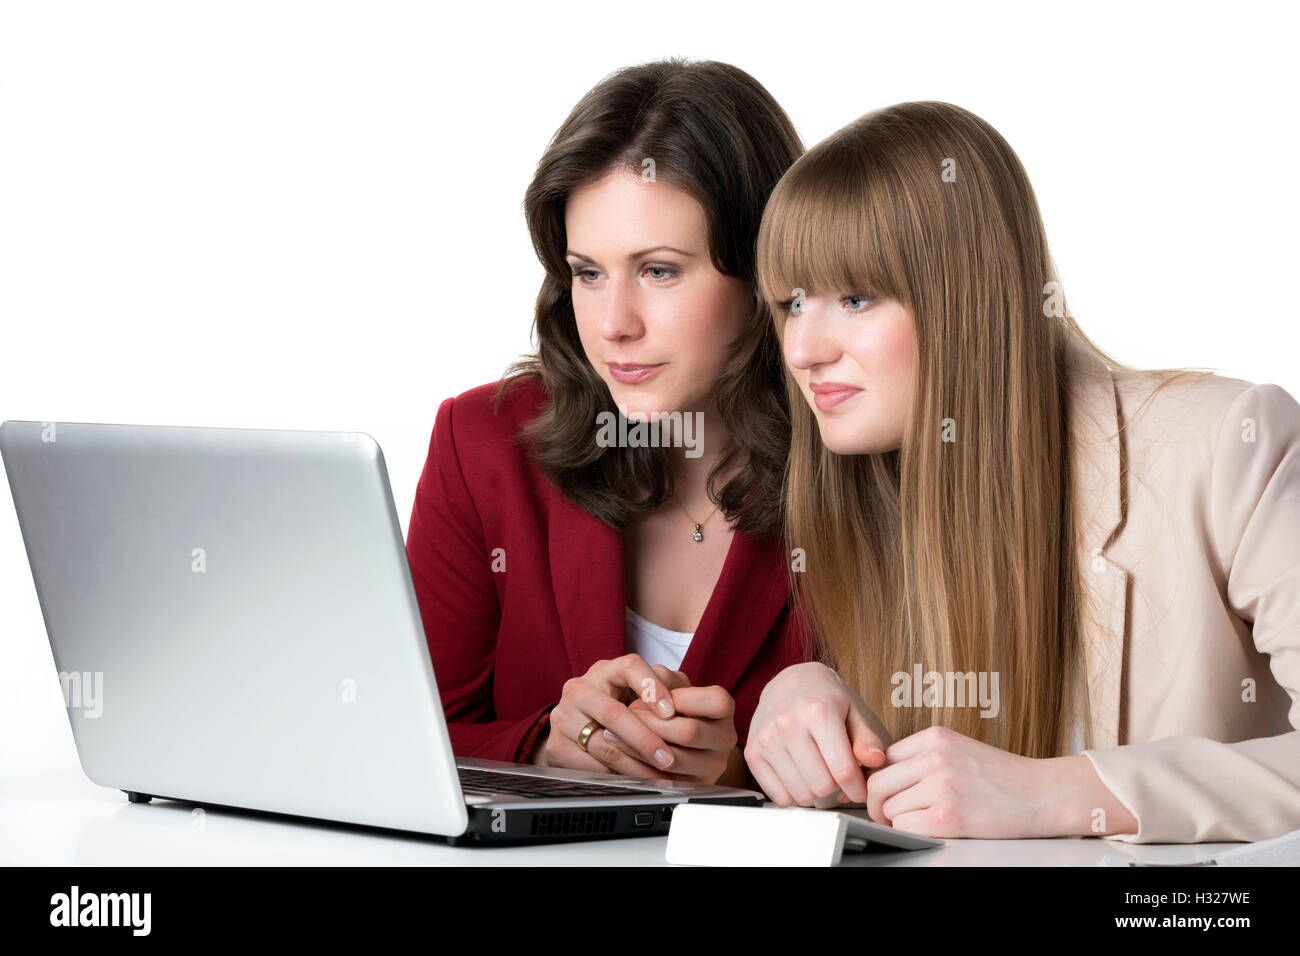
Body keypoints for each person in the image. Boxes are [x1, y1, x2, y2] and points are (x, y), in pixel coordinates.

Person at [745, 100, 1300, 842]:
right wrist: (803, 692)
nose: (803, 349)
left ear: (969, 300)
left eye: (855, 297)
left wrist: (1062, 794)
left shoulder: (1229, 445)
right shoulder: (870, 488)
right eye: (792, 303)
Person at [405, 59, 808, 787]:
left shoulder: (859, 452)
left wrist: (742, 774)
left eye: (658, 271)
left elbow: (928, 759)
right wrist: (540, 749)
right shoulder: (483, 446)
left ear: (765, 272)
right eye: (588, 273)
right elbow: (403, 733)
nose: (613, 325)